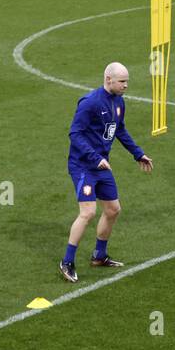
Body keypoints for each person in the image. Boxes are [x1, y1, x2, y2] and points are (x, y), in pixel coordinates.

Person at [60, 63, 154, 282]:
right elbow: (75, 134)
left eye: (127, 81)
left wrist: (138, 154)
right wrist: (96, 158)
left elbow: (119, 129)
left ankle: (99, 256)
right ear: (108, 79)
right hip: (84, 165)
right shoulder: (90, 103)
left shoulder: (119, 102)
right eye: (122, 81)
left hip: (102, 165)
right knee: (88, 212)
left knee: (113, 209)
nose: (126, 85)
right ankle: (67, 261)